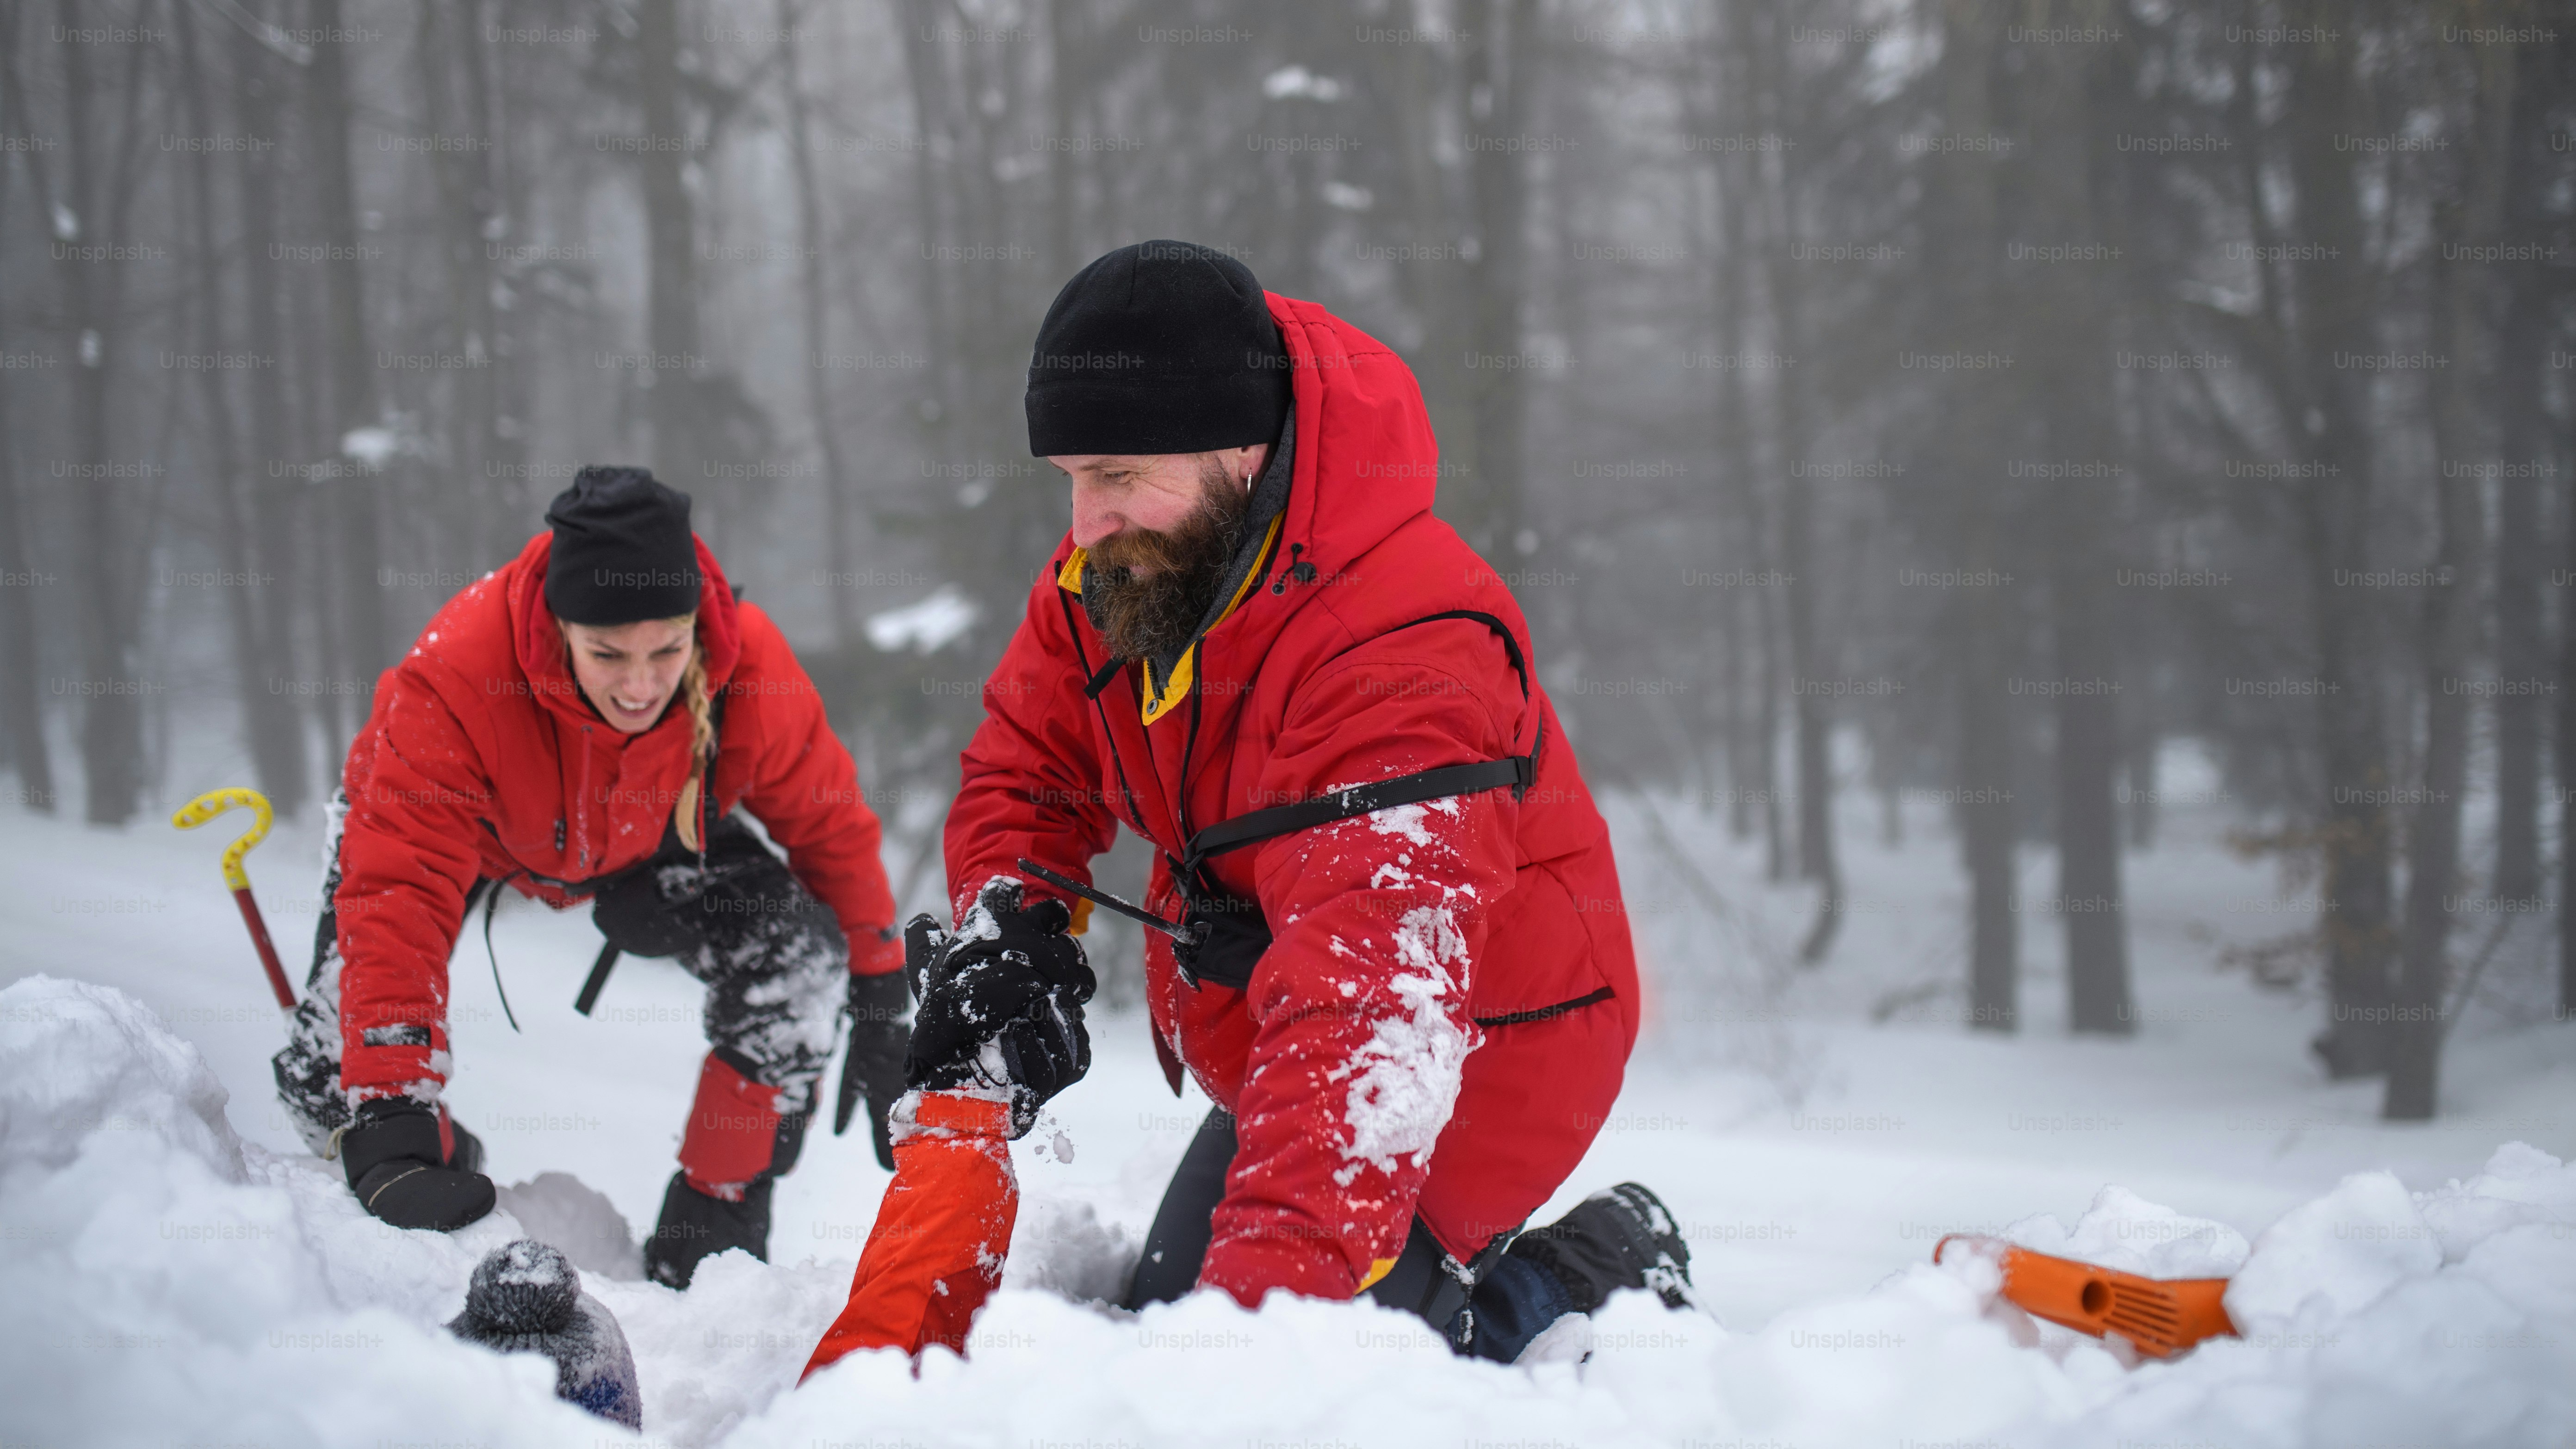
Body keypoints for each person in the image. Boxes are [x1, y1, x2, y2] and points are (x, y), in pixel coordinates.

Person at [914, 240, 1692, 1363]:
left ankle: (1597, 1265)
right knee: (1166, 1318)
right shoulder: (1135, 569)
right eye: (1073, 477)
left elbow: (1370, 1025)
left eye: (1120, 475)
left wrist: (1253, 1353)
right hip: (1285, 1011)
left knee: (1326, 1356)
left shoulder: (1408, 649)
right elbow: (1029, 765)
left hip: (1479, 1040)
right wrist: (1015, 922)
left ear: (1242, 450)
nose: (1084, 525)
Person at [271, 466, 914, 1289]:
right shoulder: (461, 674)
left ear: (697, 627)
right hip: (467, 836)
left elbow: (830, 827)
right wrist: (394, 1105)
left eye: (667, 652)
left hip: (652, 828)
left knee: (801, 966)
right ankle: (418, 1159)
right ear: (560, 628)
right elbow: (402, 886)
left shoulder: (749, 666)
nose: (641, 686)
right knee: (346, 1089)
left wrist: (880, 991)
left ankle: (710, 1238)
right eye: (607, 655)